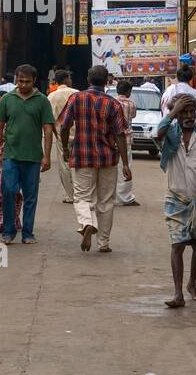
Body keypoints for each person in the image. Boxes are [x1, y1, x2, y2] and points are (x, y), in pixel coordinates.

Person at [154, 95, 196, 309]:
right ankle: (178, 293)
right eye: (183, 112)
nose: (188, 116)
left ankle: (192, 284)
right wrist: (173, 112)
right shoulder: (170, 135)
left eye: (191, 112)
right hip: (176, 198)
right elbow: (157, 133)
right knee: (177, 245)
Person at [58, 65, 130, 253]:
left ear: (88, 79)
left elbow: (64, 126)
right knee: (106, 201)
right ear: (107, 81)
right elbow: (121, 135)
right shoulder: (113, 104)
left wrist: (65, 148)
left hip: (82, 156)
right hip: (108, 158)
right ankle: (103, 243)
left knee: (82, 196)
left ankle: (87, 223)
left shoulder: (76, 98)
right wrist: (126, 164)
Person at [0, 64, 54, 244]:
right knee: (9, 192)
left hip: (33, 157)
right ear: (16, 80)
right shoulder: (7, 99)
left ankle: (28, 233)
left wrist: (47, 155)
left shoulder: (42, 100)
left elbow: (48, 129)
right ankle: (9, 230)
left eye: (27, 81)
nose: (23, 85)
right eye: (20, 81)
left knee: (30, 196)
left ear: (34, 81)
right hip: (11, 155)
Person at [47, 69, 77, 206]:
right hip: (78, 134)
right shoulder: (76, 93)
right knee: (78, 165)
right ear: (66, 79)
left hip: (61, 135)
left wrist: (55, 134)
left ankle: (71, 195)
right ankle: (80, 193)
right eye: (69, 78)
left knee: (64, 165)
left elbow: (49, 120)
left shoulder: (51, 97)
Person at [115, 79, 139, 207]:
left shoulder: (112, 101)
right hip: (127, 139)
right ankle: (125, 197)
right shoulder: (131, 104)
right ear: (129, 92)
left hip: (113, 140)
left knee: (114, 168)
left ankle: (113, 196)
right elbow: (133, 116)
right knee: (126, 166)